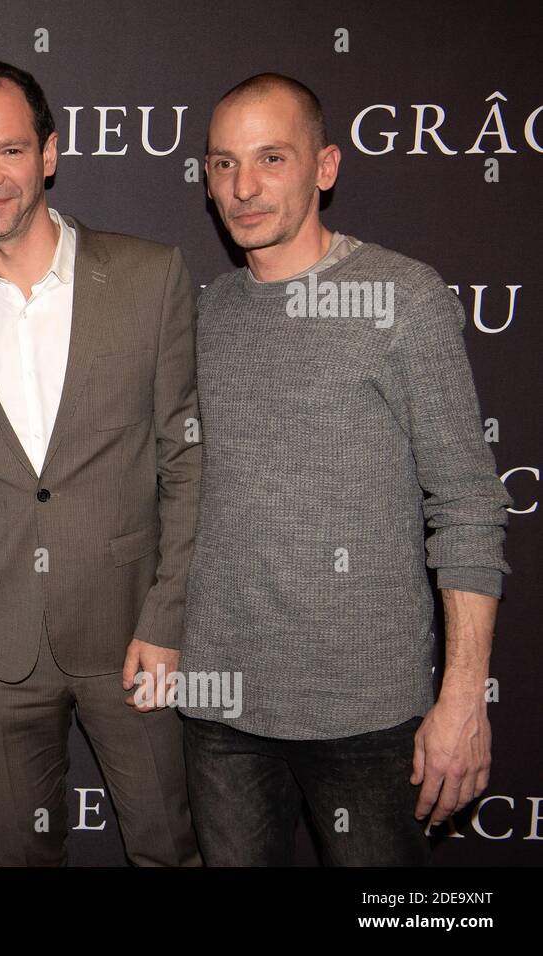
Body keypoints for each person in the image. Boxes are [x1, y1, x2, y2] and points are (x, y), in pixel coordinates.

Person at [180, 73, 511, 865]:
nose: (244, 187)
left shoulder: (402, 297)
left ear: (325, 166)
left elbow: (466, 503)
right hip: (218, 708)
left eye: (271, 159)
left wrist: (463, 695)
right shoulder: (210, 310)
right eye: (223, 164)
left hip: (367, 712)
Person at [0, 61, 202, 866]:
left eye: (8, 150)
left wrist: (168, 620)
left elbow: (187, 460)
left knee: (168, 847)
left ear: (50, 154)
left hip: (131, 631)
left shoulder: (150, 276)